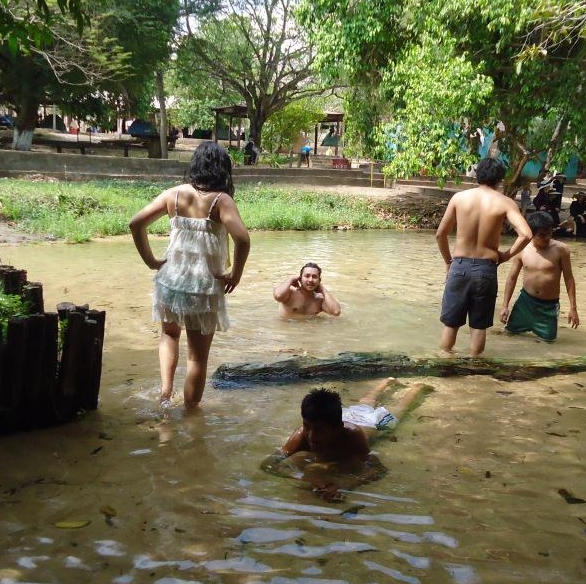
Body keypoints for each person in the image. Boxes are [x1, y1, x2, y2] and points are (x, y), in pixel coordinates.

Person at [129, 141, 251, 408]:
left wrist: (151, 261)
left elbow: (136, 223)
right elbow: (242, 239)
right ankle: (189, 417)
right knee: (197, 358)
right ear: (223, 171)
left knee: (169, 335)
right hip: (203, 287)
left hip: (170, 281)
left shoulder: (173, 194)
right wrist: (235, 274)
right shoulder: (221, 200)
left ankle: (164, 394)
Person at [436, 156, 533, 356]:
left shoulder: (459, 198)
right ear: (500, 179)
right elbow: (526, 235)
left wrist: (448, 263)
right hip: (485, 270)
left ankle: (444, 366)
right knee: (479, 326)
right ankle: (474, 370)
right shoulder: (504, 202)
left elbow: (440, 234)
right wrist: (506, 256)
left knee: (451, 324)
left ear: (478, 174)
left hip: (459, 267)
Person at [271, 379, 432, 499]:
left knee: (396, 413)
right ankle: (386, 382)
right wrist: (306, 479)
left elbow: (377, 469)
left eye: (318, 431)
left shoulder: (353, 436)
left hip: (370, 422)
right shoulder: (301, 436)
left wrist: (345, 485)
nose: (311, 436)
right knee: (366, 402)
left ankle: (417, 388)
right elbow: (269, 464)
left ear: (337, 429)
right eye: (307, 426)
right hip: (345, 416)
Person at [500, 211, 579, 342]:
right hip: (525, 303)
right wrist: (505, 306)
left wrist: (573, 308)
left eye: (549, 233)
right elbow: (512, 278)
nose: (547, 237)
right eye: (542, 235)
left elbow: (569, 279)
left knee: (548, 342)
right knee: (510, 336)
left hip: (548, 307)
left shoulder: (561, 249)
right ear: (531, 234)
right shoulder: (522, 249)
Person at [274, 262, 342, 317]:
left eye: (314, 277)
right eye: (307, 276)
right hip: (286, 332)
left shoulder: (320, 300)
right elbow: (278, 296)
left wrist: (323, 290)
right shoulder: (290, 293)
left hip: (309, 332)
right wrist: (290, 279)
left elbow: (336, 312)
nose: (311, 280)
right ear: (300, 279)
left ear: (319, 280)